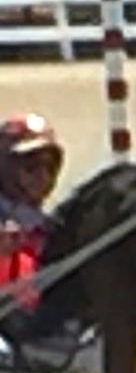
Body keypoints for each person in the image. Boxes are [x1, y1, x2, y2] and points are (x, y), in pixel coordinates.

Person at [0, 111, 67, 359]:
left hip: (42, 324)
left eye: (49, 167)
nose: (42, 177)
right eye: (31, 168)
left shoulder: (50, 224)